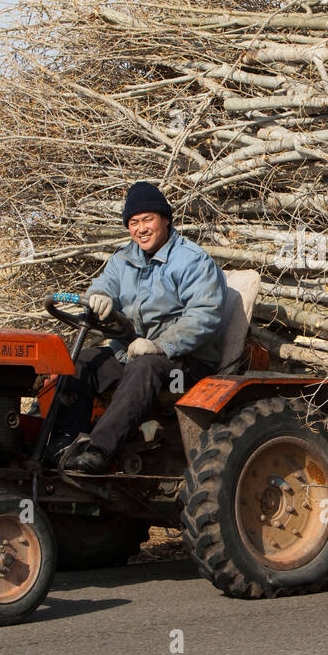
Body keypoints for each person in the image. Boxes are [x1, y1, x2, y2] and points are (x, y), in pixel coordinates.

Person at [57, 181, 226, 473]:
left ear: (166, 219)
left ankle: (98, 451)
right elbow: (103, 284)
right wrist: (100, 297)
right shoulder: (123, 259)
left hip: (184, 364)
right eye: (134, 222)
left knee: (145, 366)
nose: (141, 228)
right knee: (79, 362)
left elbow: (204, 315)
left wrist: (161, 344)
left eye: (148, 219)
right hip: (132, 355)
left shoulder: (191, 261)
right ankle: (64, 445)